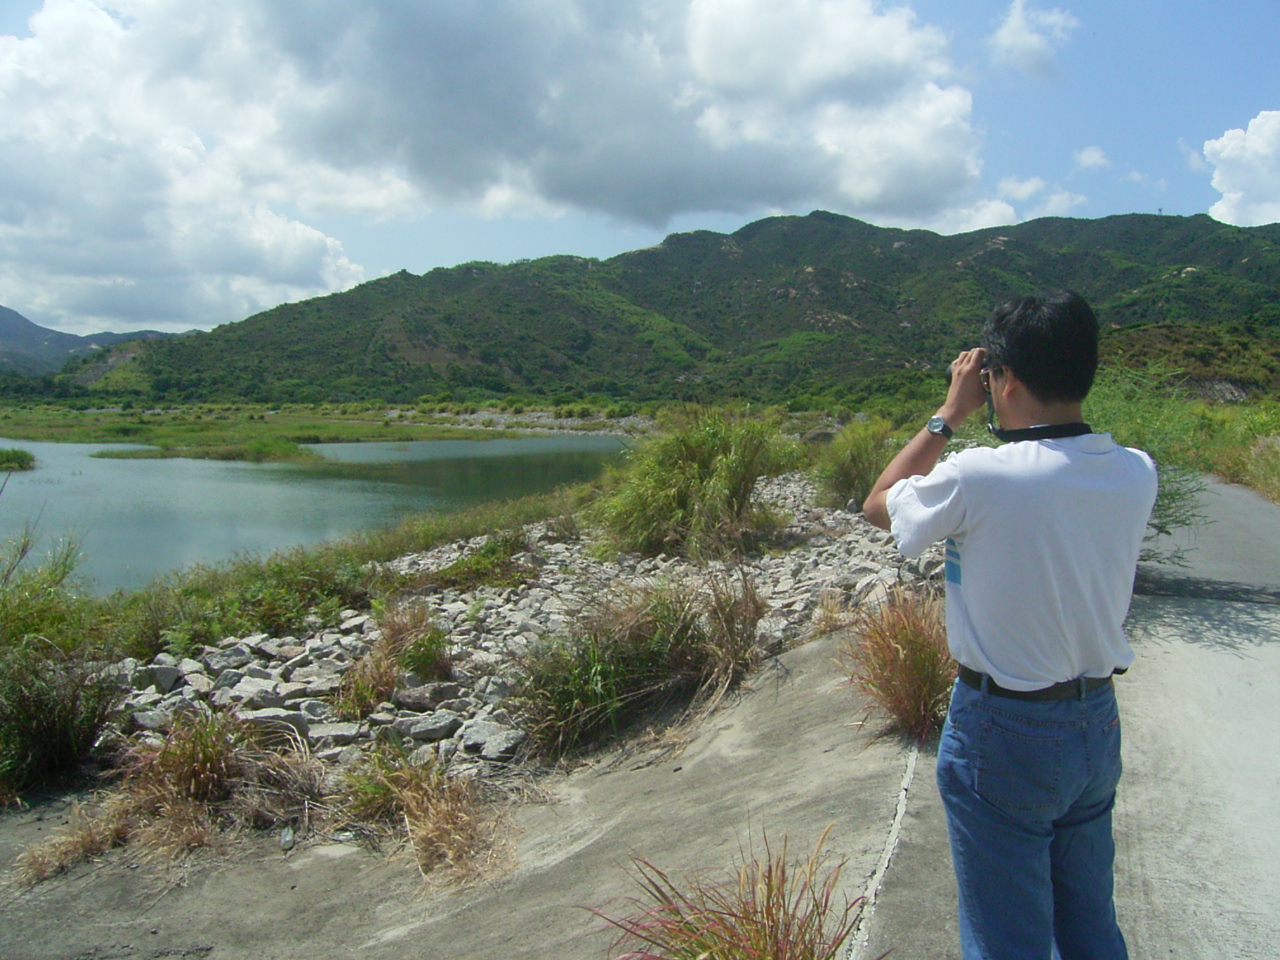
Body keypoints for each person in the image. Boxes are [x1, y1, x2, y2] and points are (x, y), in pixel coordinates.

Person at [862, 290, 1158, 960]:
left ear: (1006, 379)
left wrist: (947, 415)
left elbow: (879, 505)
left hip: (1003, 729)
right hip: (1095, 722)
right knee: (1089, 923)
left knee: (1007, 940)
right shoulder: (1137, 471)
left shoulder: (980, 475)